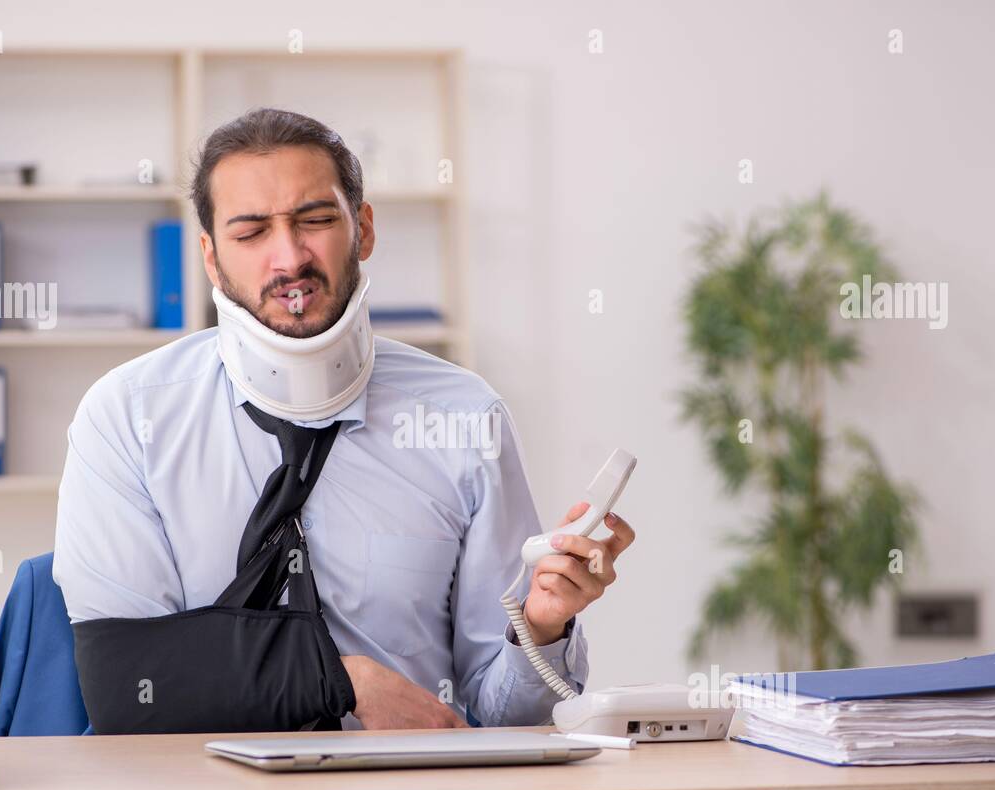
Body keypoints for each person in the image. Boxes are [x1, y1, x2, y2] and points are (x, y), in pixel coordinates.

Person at [53, 107, 635, 732]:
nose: (289, 258)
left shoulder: (465, 419)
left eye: (316, 220)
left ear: (363, 229)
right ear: (211, 256)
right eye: (251, 233)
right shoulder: (127, 418)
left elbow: (502, 718)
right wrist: (340, 680)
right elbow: (126, 686)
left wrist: (542, 627)